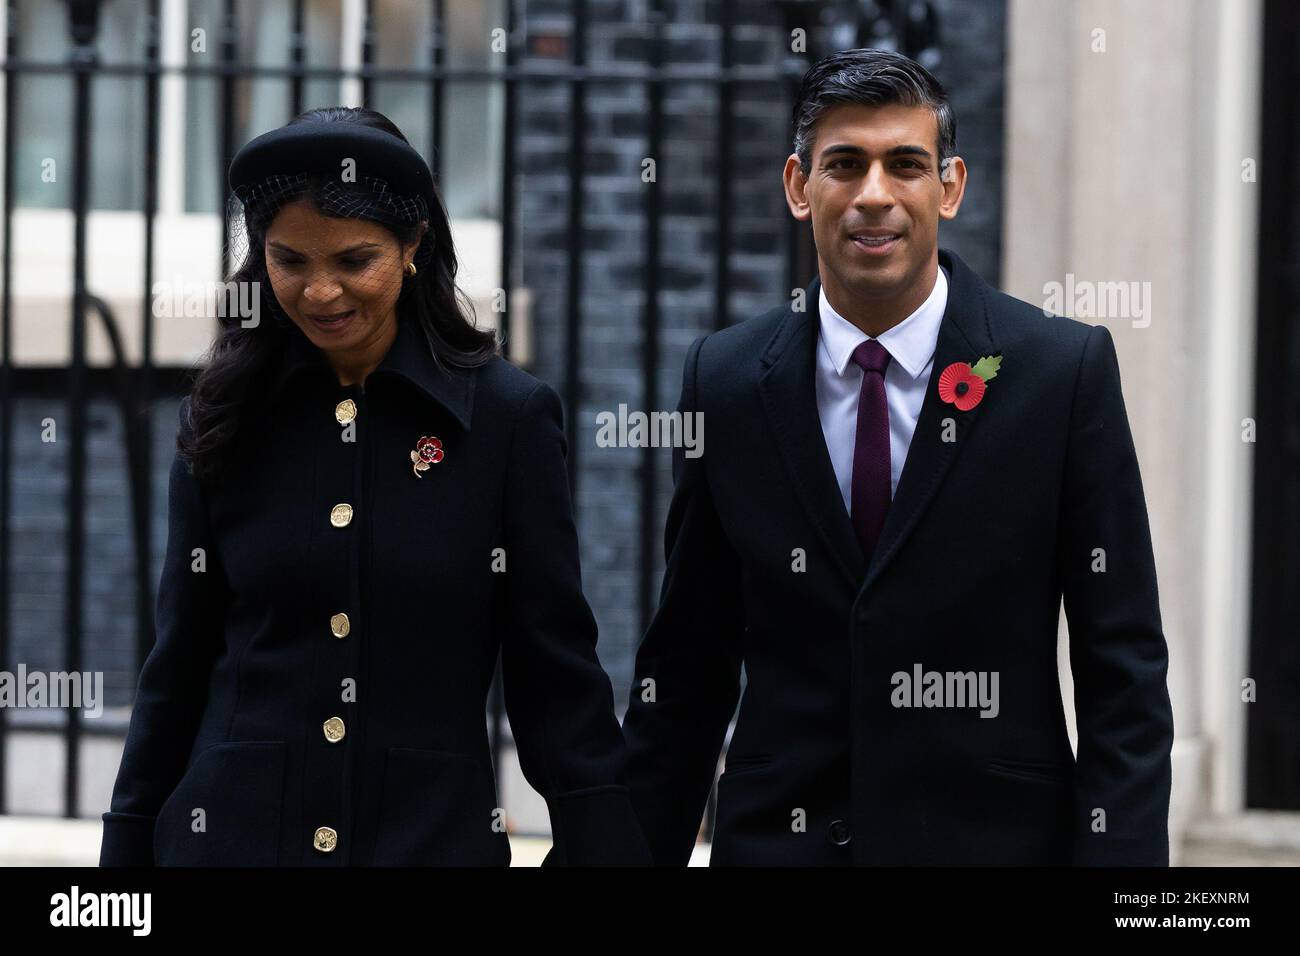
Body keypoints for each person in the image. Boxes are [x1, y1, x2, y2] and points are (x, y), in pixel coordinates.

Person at [621, 48, 1174, 866]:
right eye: (844, 164)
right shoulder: (728, 381)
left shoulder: (1061, 374)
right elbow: (688, 665)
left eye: (904, 165)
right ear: (798, 186)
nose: (873, 195)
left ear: (948, 187)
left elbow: (1121, 669)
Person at [100, 106, 648, 866]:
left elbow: (551, 665)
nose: (321, 292)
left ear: (413, 245)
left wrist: (602, 841)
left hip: (427, 842)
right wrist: (121, 859)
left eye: (354, 261)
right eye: (290, 261)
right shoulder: (223, 415)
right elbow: (179, 663)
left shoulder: (506, 421)